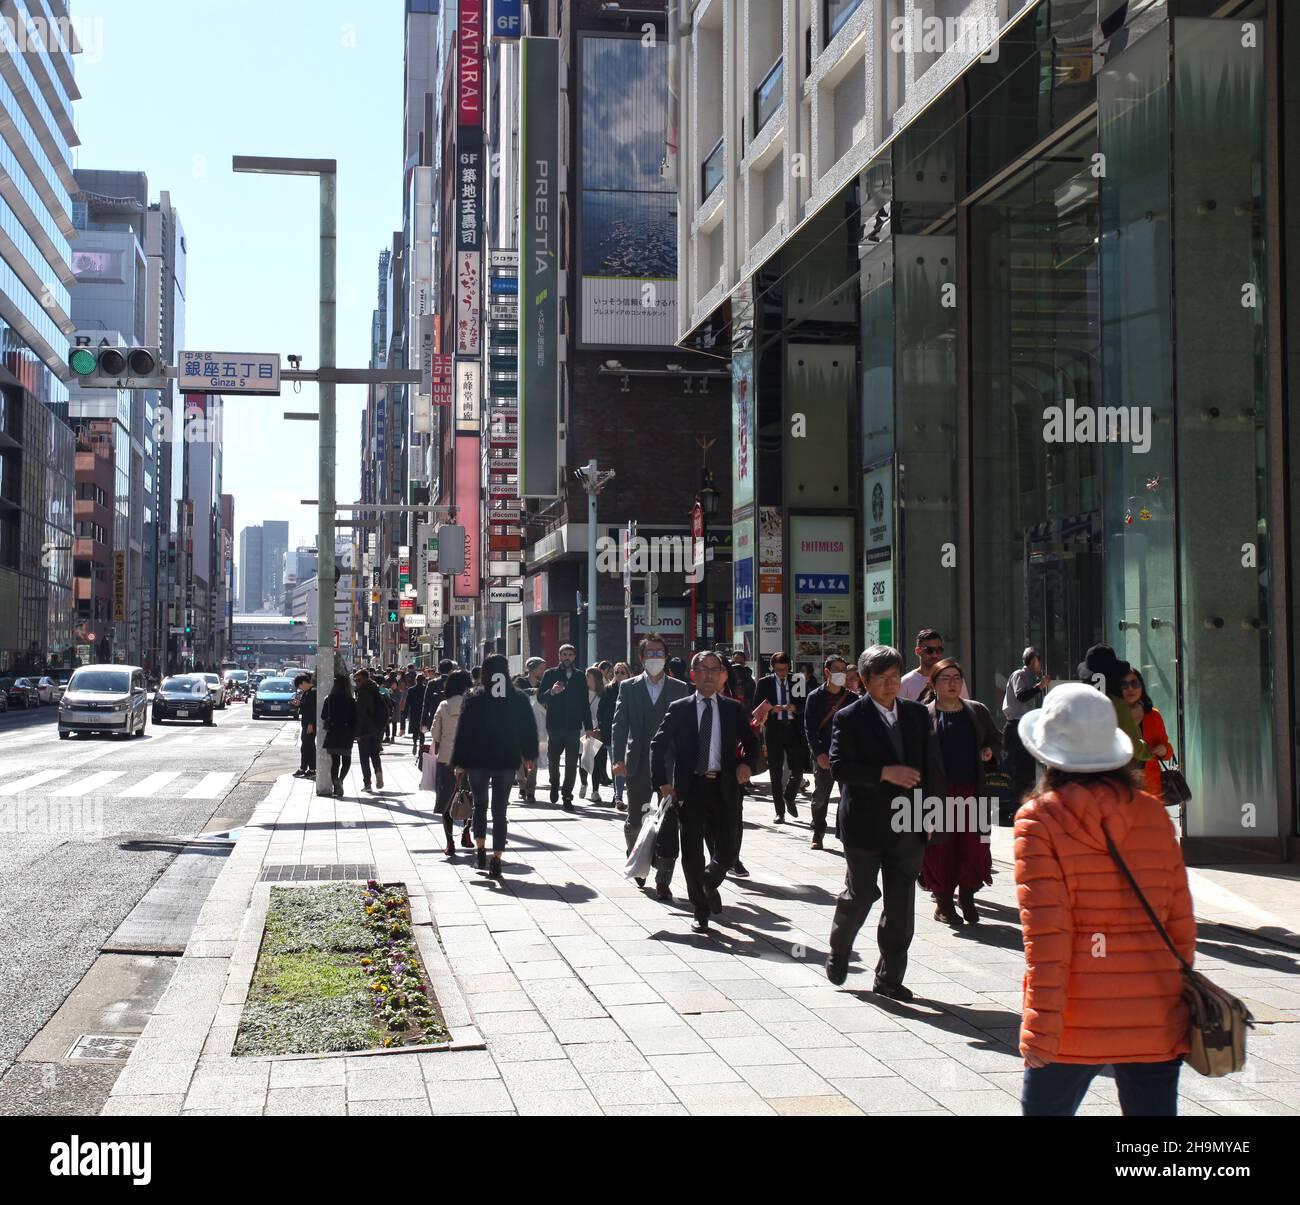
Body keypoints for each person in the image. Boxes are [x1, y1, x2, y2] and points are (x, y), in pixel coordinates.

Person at [1015, 681, 1195, 1116]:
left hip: (1076, 1016)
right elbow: (1181, 924)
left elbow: (1048, 939)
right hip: (1154, 1011)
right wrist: (1180, 1001)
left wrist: (1040, 1028)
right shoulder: (1152, 813)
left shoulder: (1039, 821)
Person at [825, 645, 946, 998]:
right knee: (861, 892)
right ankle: (840, 947)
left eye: (896, 677)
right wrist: (884, 773)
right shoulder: (849, 717)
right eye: (882, 678)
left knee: (901, 902)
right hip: (864, 823)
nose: (891, 685)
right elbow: (839, 768)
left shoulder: (917, 715)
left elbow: (932, 766)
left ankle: (890, 976)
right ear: (864, 681)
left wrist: (932, 813)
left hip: (908, 821)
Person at [650, 650, 760, 934]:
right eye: (704, 669)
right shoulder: (680, 707)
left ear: (723, 676)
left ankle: (708, 882)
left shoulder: (732, 708)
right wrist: (662, 783)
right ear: (694, 675)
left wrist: (747, 765)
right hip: (691, 787)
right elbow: (658, 746)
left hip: (725, 786)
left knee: (728, 848)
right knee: (692, 850)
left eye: (715, 669)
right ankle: (700, 908)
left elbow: (753, 743)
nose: (710, 674)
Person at [921, 658, 1001, 926]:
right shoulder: (923, 715)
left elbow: (995, 738)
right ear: (933, 684)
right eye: (946, 678)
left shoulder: (977, 710)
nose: (953, 683)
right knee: (940, 849)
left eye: (957, 678)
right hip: (937, 795)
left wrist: (990, 750)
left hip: (973, 792)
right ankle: (943, 904)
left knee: (975, 848)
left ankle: (967, 896)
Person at [612, 635, 691, 900]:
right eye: (650, 653)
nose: (655, 657)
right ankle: (636, 854)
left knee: (669, 822)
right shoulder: (629, 688)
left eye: (660, 652)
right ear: (642, 658)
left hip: (670, 763)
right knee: (636, 818)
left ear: (666, 657)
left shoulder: (681, 689)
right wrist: (618, 758)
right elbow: (619, 724)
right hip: (637, 760)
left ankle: (663, 877)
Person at [450, 654, 538, 879]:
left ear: (484, 673)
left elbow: (463, 732)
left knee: (480, 805)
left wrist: (460, 761)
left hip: (477, 760)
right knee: (500, 811)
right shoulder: (517, 698)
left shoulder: (473, 696)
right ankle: (497, 858)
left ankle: (480, 850)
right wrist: (529, 755)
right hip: (505, 760)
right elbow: (527, 728)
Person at [803, 656, 856, 850]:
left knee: (847, 796)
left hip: (846, 756)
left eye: (844, 669)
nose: (841, 673)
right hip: (824, 755)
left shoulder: (851, 698)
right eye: (837, 669)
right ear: (827, 672)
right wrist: (819, 754)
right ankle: (818, 831)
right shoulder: (815, 697)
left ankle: (843, 833)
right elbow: (809, 729)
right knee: (821, 797)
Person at [1078, 644, 1152, 770]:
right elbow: (1133, 746)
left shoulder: (1077, 700)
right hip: (1113, 774)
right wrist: (1147, 750)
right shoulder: (1118, 703)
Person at [752, 651, 805, 822]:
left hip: (793, 729)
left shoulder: (797, 680)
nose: (782, 673)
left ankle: (789, 795)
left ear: (789, 666)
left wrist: (795, 708)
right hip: (774, 729)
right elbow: (756, 706)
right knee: (775, 769)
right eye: (778, 669)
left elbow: (804, 704)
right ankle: (779, 811)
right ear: (773, 668)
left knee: (797, 768)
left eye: (785, 669)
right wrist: (771, 709)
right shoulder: (765, 683)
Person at [538, 644, 586, 810]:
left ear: (574, 657)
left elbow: (584, 703)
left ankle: (567, 795)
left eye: (570, 654)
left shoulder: (580, 676)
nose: (567, 657)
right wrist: (551, 692)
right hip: (555, 725)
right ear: (559, 656)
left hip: (573, 727)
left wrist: (589, 727)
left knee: (572, 763)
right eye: (564, 654)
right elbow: (540, 699)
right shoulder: (550, 674)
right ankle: (554, 783)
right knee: (553, 760)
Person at [429, 670, 472, 856]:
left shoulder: (444, 705)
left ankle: (449, 842)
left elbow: (435, 733)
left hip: (446, 759)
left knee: (447, 800)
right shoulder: (473, 705)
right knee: (469, 798)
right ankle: (466, 833)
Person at [1003, 647, 1052, 803]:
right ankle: (1014, 803)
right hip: (1016, 725)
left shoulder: (1033, 677)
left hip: (1027, 726)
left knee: (1028, 767)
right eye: (1040, 661)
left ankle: (1023, 800)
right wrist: (1039, 686)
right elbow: (1021, 696)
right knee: (1018, 767)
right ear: (1034, 660)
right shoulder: (1020, 675)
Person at [1119, 667, 1174, 801]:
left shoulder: (1153, 715)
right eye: (1124, 685)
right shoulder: (1113, 715)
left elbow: (1168, 752)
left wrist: (1163, 750)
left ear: (1141, 686)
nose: (1130, 688)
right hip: (1122, 789)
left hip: (1151, 790)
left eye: (1134, 683)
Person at [900, 629, 970, 703]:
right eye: (929, 650)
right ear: (918, 651)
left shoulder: (954, 678)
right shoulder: (905, 682)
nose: (935, 655)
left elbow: (966, 707)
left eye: (938, 650)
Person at [578, 666, 613, 803]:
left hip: (598, 731)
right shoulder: (582, 693)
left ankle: (595, 791)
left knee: (597, 762)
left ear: (595, 678)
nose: (586, 678)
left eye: (588, 676)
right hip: (583, 730)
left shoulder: (604, 693)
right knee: (583, 760)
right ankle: (583, 783)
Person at [515, 657, 547, 802]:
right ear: (532, 668)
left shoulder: (543, 684)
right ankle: (522, 784)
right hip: (520, 725)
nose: (543, 671)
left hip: (537, 726)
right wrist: (531, 691)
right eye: (541, 668)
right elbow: (515, 694)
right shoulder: (520, 682)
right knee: (519, 758)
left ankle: (531, 789)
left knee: (533, 757)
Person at [320, 673, 357, 798]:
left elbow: (323, 716)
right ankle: (340, 780)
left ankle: (336, 785)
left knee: (335, 761)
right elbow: (355, 718)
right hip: (347, 732)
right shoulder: (351, 701)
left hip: (333, 731)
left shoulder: (328, 699)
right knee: (346, 760)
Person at [353, 669, 386, 792]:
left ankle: (367, 783)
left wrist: (357, 733)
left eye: (358, 679)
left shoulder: (362, 693)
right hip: (376, 729)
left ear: (364, 679)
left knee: (364, 758)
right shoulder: (375, 690)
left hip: (365, 731)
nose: (356, 682)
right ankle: (378, 771)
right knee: (375, 755)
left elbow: (360, 715)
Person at [608, 663, 632, 808]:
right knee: (618, 764)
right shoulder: (609, 690)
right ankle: (618, 796)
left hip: (632, 734)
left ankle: (628, 794)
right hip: (615, 733)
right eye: (616, 672)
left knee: (630, 766)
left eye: (622, 672)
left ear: (628, 673)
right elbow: (602, 713)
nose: (619, 674)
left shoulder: (635, 689)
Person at [292, 673, 317, 779]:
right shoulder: (307, 692)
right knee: (305, 746)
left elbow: (314, 709)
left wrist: (311, 724)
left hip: (310, 724)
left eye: (299, 686)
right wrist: (299, 704)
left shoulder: (313, 692)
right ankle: (304, 767)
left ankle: (311, 769)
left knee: (309, 746)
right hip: (306, 723)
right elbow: (306, 706)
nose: (299, 688)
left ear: (303, 683)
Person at [406, 669, 428, 758]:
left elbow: (408, 702)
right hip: (423, 712)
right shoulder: (426, 689)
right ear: (423, 680)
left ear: (416, 680)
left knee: (415, 731)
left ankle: (415, 743)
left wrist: (405, 713)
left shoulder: (411, 690)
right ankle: (421, 746)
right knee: (422, 731)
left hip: (414, 712)